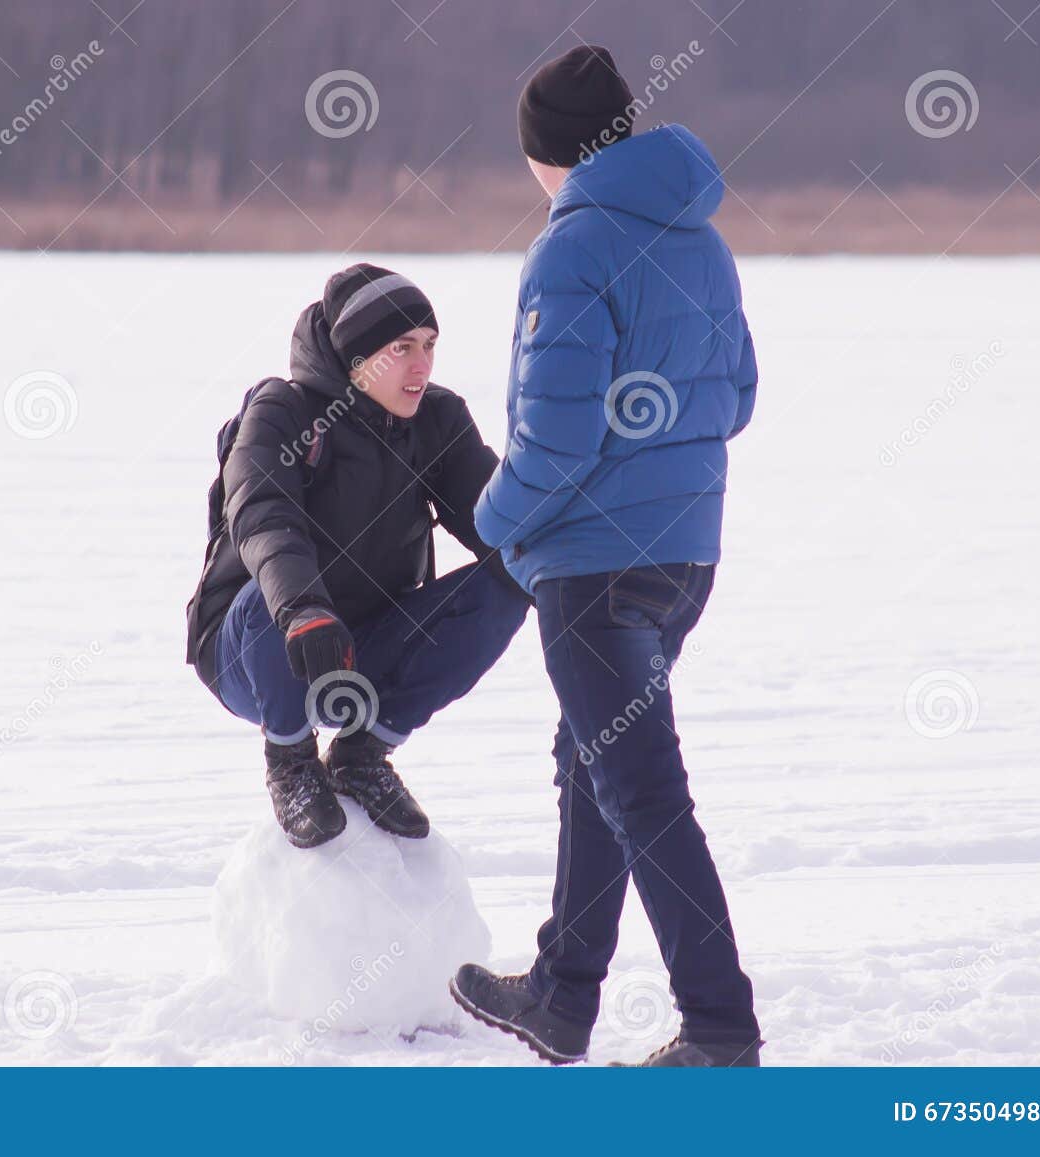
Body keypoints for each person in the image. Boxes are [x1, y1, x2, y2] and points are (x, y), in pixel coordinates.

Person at [449, 47, 763, 1066]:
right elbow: (740, 397)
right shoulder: (700, 234)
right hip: (685, 554)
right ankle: (560, 991)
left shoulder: (572, 245)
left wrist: (490, 522)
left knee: (640, 788)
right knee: (594, 760)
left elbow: (556, 441)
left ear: (546, 152)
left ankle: (719, 1028)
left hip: (594, 567)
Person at [185, 264, 530, 849]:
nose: (422, 365)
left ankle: (362, 753)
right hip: (254, 648)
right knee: (267, 599)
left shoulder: (436, 420)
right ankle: (291, 761)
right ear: (354, 358)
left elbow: (500, 526)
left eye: (429, 346)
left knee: (512, 581)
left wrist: (578, 565)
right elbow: (265, 518)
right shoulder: (282, 413)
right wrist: (304, 612)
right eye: (401, 348)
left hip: (362, 644)